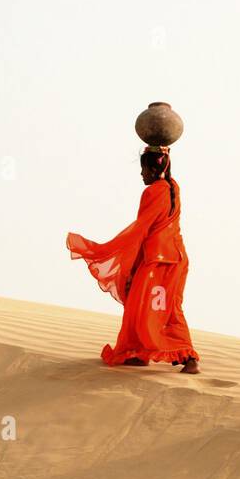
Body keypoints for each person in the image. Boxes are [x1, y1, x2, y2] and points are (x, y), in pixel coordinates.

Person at [67, 147, 200, 373]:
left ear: (153, 168)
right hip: (177, 259)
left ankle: (182, 356)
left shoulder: (152, 192)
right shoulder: (173, 187)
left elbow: (141, 231)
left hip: (157, 260)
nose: (141, 175)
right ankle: (158, 354)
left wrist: (116, 258)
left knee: (140, 308)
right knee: (170, 308)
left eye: (144, 169)